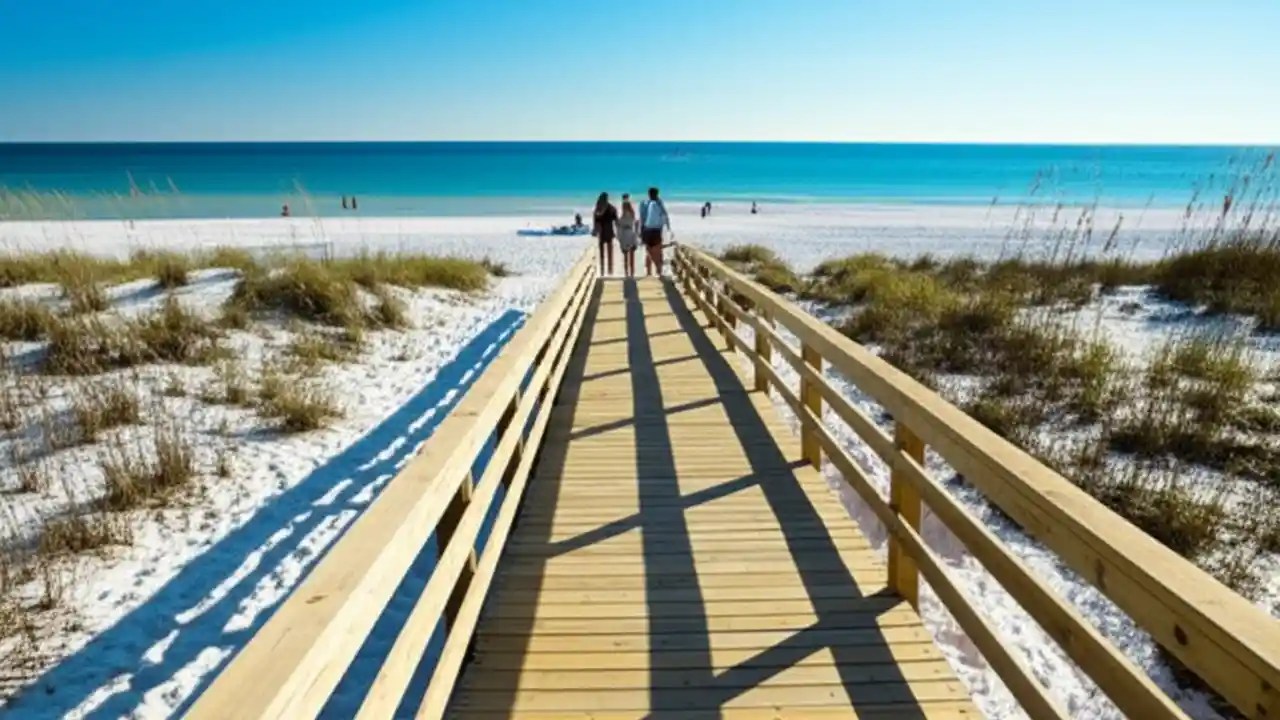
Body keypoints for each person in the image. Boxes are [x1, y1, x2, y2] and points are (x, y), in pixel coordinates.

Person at [639, 187, 671, 276]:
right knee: (656, 251)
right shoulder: (658, 203)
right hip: (655, 230)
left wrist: (641, 232)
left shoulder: (645, 203)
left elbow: (642, 218)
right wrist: (667, 228)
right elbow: (665, 216)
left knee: (650, 251)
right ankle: (657, 271)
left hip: (648, 230)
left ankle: (650, 272)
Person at [592, 192, 618, 275]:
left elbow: (595, 221)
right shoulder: (611, 208)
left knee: (602, 254)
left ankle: (603, 271)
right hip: (609, 231)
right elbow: (616, 220)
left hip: (601, 232)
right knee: (610, 253)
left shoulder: (597, 208)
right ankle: (610, 271)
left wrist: (595, 230)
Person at [616, 194, 639, 277]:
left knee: (626, 255)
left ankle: (627, 273)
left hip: (625, 235)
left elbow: (619, 226)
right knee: (631, 255)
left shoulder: (623, 217)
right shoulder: (632, 216)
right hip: (631, 234)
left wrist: (618, 237)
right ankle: (631, 273)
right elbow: (636, 224)